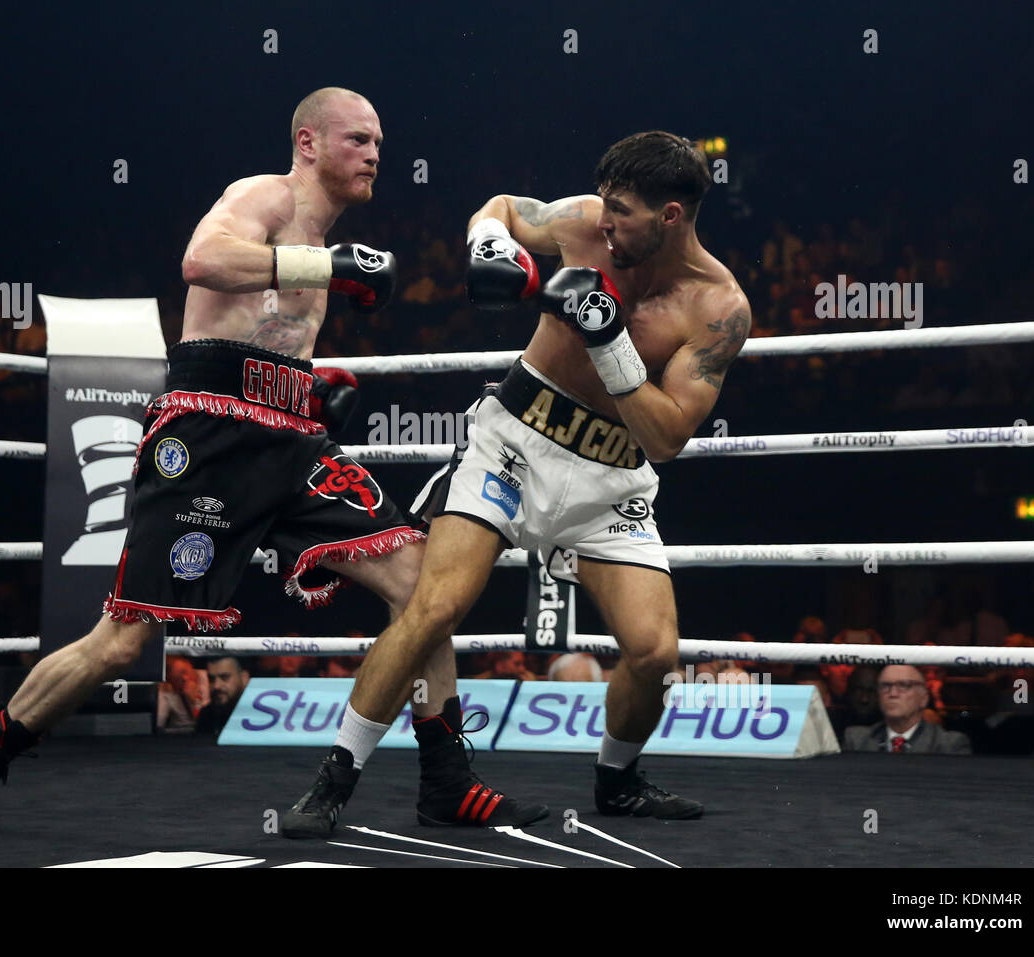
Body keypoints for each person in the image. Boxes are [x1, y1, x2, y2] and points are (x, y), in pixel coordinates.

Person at [0, 87, 536, 828]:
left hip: (294, 440)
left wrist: (313, 390)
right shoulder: (265, 197)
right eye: (358, 139)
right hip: (210, 434)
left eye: (379, 141)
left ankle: (446, 775)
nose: (376, 153)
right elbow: (202, 260)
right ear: (309, 143)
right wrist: (330, 267)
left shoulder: (319, 236)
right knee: (123, 641)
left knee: (425, 586)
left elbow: (271, 342)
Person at [281, 131, 751, 837]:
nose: (608, 222)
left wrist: (609, 337)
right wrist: (488, 241)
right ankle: (333, 779)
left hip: (611, 477)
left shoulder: (718, 309)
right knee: (433, 606)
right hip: (514, 444)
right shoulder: (584, 224)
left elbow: (666, 439)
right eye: (608, 206)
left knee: (655, 653)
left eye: (624, 212)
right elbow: (502, 206)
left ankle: (617, 782)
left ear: (673, 216)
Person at [842, 665, 972, 754]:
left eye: (903, 686)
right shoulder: (856, 740)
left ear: (924, 698)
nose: (892, 693)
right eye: (885, 686)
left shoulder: (948, 744)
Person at [196, 656, 250, 742]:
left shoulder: (259, 714)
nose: (216, 686)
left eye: (225, 677)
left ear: (244, 678)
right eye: (211, 679)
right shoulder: (206, 714)